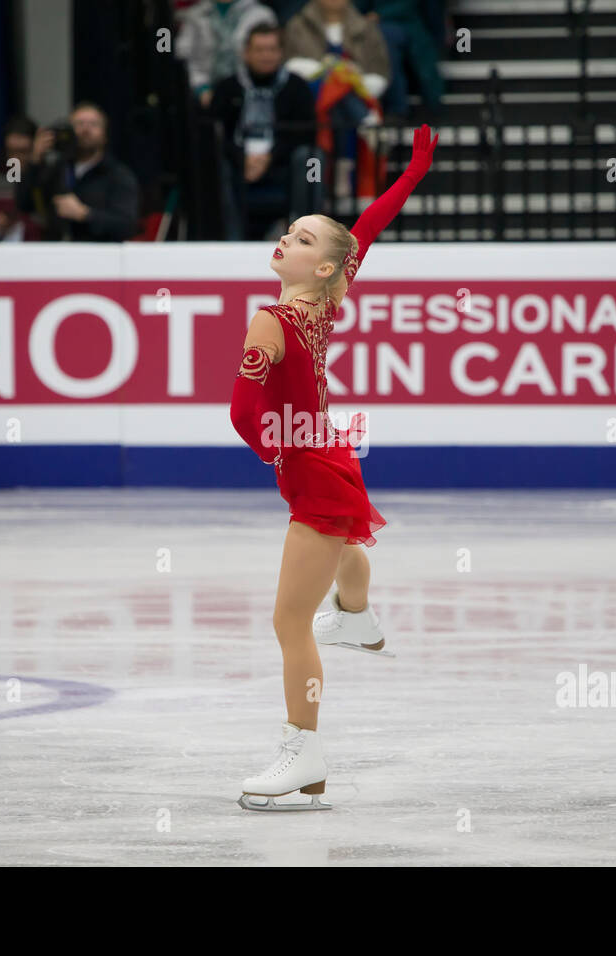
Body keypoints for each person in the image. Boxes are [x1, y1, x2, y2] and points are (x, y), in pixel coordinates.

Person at [229, 124, 437, 811]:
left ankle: (304, 749)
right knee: (348, 543)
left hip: (312, 466)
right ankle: (357, 615)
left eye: (305, 238)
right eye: (289, 231)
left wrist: (270, 446)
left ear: (322, 267)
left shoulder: (271, 319)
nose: (287, 240)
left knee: (289, 625)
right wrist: (411, 173)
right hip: (330, 448)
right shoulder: (327, 299)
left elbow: (241, 413)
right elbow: (366, 228)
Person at [211, 24, 317, 239]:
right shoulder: (227, 88)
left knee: (313, 160)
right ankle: (231, 242)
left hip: (282, 165)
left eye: (271, 49)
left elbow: (306, 132)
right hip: (236, 166)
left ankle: (306, 238)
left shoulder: (296, 87)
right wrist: (243, 159)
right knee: (213, 162)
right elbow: (214, 134)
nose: (266, 55)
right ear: (246, 53)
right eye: (259, 50)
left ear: (280, 53)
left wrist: (269, 157)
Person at [285, 0, 392, 200]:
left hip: (355, 92)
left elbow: (380, 70)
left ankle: (341, 170)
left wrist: (352, 75)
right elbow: (291, 65)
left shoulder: (366, 27)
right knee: (335, 78)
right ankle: (367, 124)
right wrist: (326, 71)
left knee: (338, 92)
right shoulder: (298, 25)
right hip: (313, 96)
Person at [16, 102, 140, 242]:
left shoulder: (118, 175)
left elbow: (128, 226)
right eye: (79, 124)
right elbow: (23, 205)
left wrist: (85, 214)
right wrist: (35, 160)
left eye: (94, 124)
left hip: (99, 257)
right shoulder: (57, 169)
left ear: (105, 135)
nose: (85, 129)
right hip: (55, 255)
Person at [177, 0, 278, 109]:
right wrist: (201, 88)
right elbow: (183, 56)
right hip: (203, 92)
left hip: (247, 90)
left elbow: (269, 55)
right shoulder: (196, 14)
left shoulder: (261, 14)